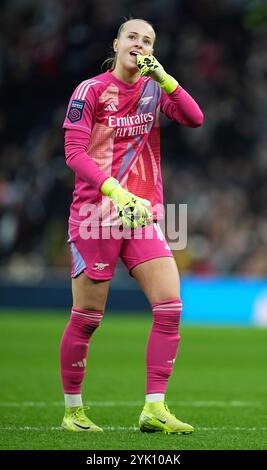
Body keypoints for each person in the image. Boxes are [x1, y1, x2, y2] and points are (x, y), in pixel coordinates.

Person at [60, 18, 203, 434]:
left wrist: (167, 78)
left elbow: (194, 118)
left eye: (149, 40)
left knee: (170, 306)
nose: (140, 45)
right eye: (133, 37)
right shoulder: (89, 91)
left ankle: (154, 408)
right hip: (95, 215)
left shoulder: (154, 88)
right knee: (87, 316)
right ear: (117, 43)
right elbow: (73, 154)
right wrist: (116, 192)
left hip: (142, 215)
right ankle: (73, 411)